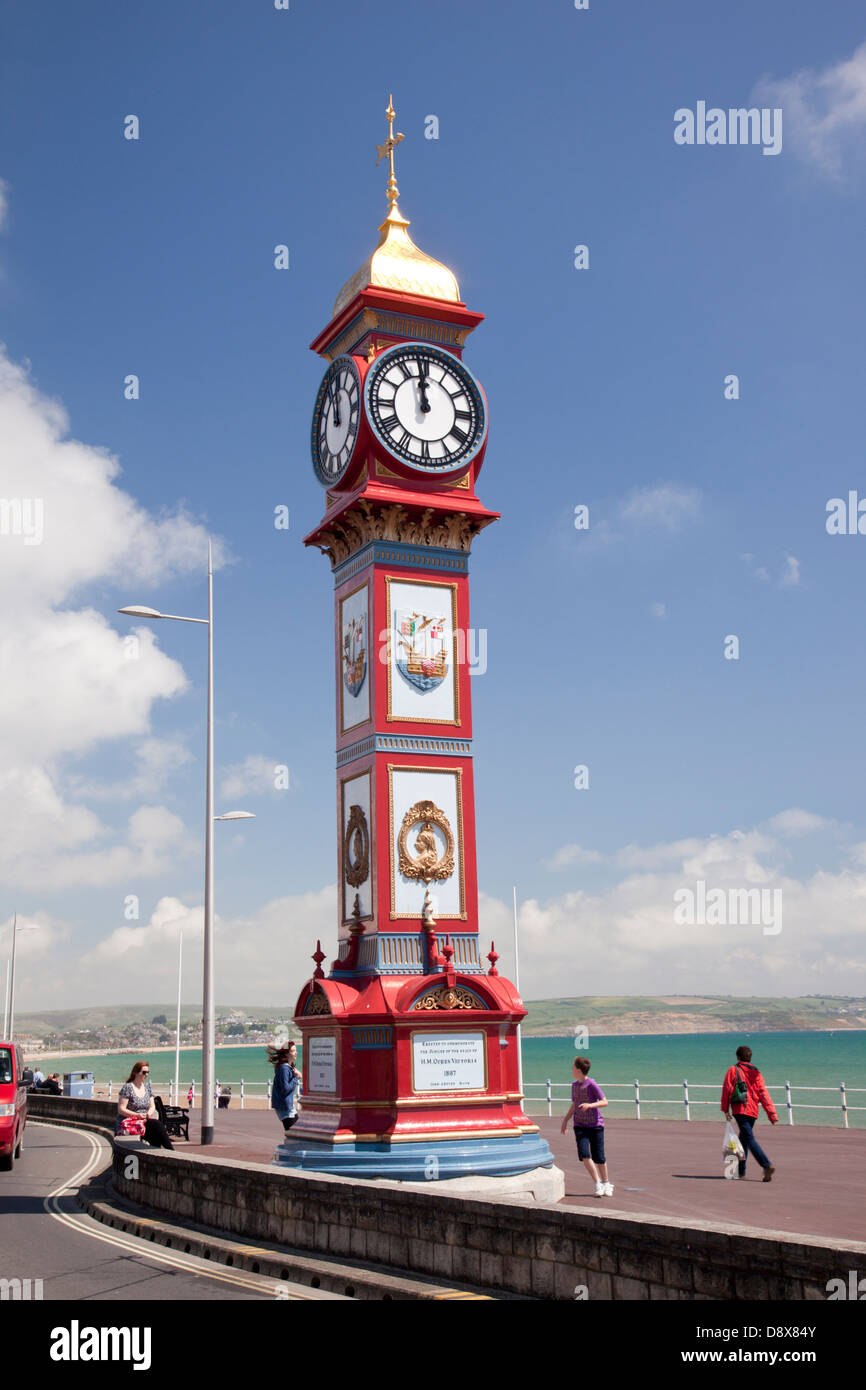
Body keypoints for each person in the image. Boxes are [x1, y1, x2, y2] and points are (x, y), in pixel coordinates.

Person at [721, 1044, 778, 1181]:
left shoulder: (733, 1070)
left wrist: (725, 1109)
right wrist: (772, 1113)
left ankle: (766, 1165)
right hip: (753, 1111)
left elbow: (727, 1090)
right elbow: (763, 1093)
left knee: (749, 1138)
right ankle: (741, 1172)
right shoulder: (757, 1073)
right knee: (744, 1140)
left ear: (738, 1057)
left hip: (740, 1110)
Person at [560, 1056, 612, 1198]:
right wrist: (566, 1120)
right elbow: (574, 1104)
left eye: (572, 1067)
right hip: (580, 1125)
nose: (571, 1070)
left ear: (578, 1070)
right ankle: (598, 1183)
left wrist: (590, 1105)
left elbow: (605, 1102)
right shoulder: (574, 1085)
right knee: (584, 1155)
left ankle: (606, 1182)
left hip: (595, 1125)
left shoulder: (591, 1084)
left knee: (599, 1157)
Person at [115, 1061, 174, 1149]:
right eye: (144, 1072)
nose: (146, 1075)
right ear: (136, 1072)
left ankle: (160, 1155)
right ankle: (171, 1152)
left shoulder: (147, 1088)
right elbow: (121, 1109)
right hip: (130, 1122)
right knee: (158, 1125)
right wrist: (137, 1115)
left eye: (147, 1072)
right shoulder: (128, 1087)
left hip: (143, 1121)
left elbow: (152, 1106)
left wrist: (149, 1113)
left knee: (156, 1135)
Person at [268, 1042, 300, 1136]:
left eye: (295, 1050)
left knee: (297, 1133)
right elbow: (285, 1089)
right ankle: (288, 1150)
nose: (296, 1053)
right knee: (294, 1135)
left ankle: (290, 1149)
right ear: (287, 1053)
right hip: (284, 1107)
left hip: (288, 1106)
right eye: (293, 1051)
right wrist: (297, 1077)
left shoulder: (287, 1067)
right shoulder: (284, 1069)